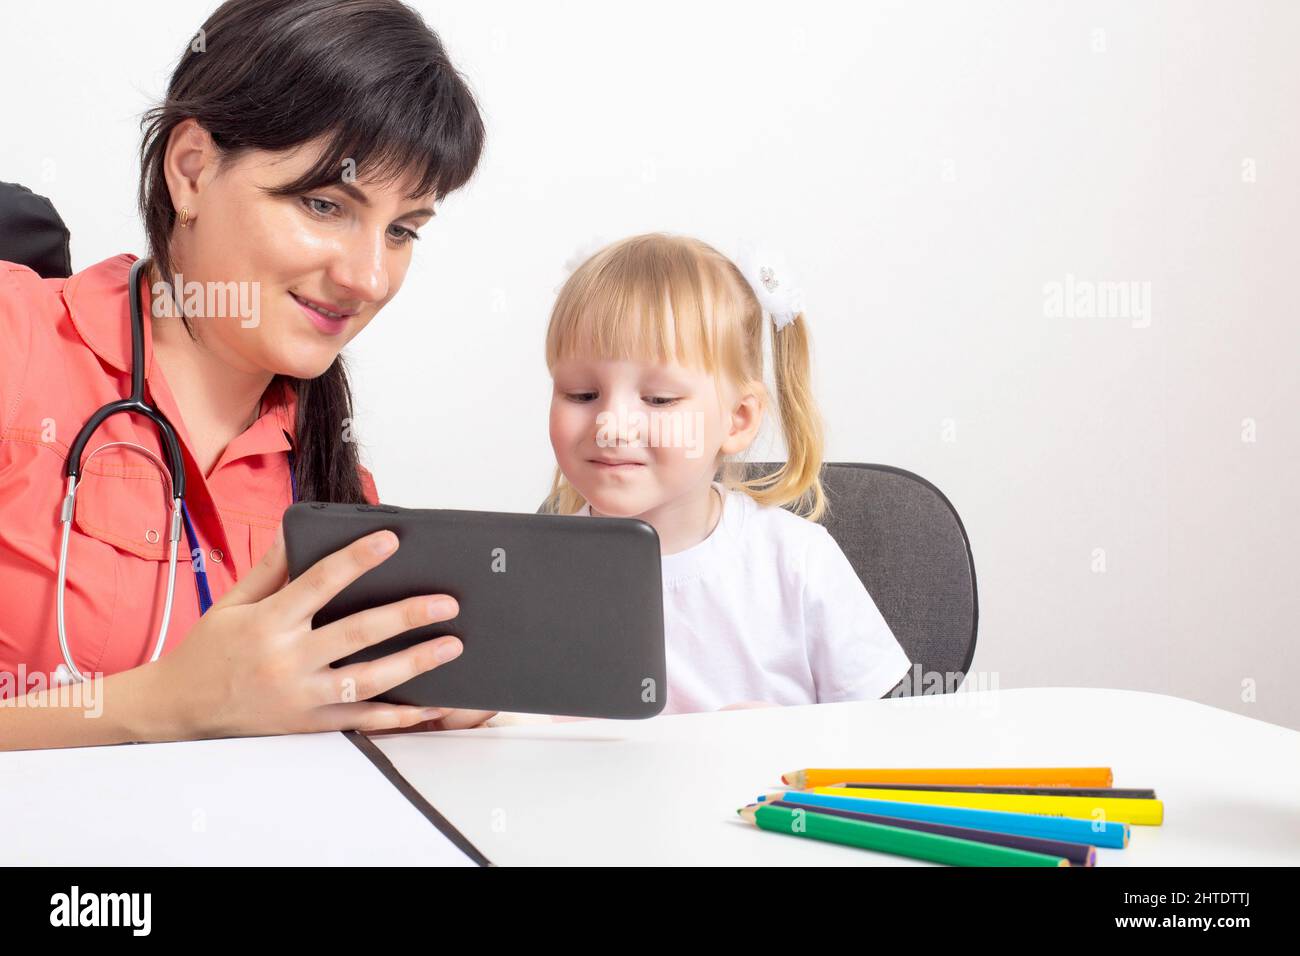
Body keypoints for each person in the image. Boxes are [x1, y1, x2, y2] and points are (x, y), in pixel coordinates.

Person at [0, 0, 495, 750]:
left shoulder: (334, 493)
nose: (367, 277)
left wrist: (421, 708)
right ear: (191, 169)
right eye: (325, 204)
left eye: (401, 231)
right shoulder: (15, 342)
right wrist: (165, 704)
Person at [540, 233, 911, 716]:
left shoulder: (795, 562)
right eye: (581, 394)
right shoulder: (535, 571)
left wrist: (788, 739)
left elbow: (887, 736)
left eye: (658, 400)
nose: (610, 426)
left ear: (737, 419)